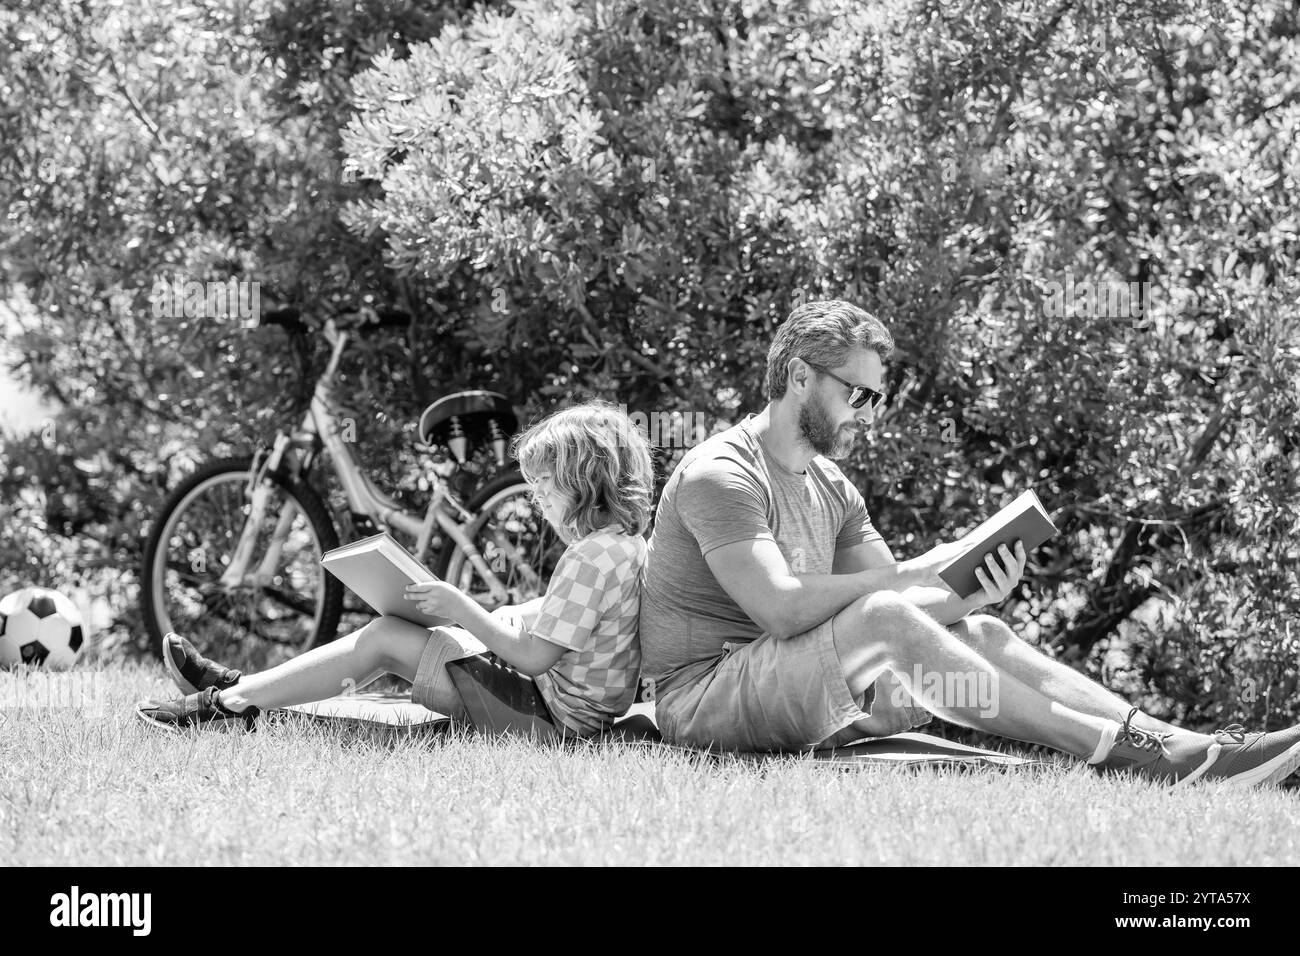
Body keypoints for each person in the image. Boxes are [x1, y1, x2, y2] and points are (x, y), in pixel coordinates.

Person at [638, 298, 1300, 786]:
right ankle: (1128, 756)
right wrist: (916, 576)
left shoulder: (831, 486)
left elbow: (898, 621)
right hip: (705, 698)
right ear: (799, 376)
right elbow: (785, 608)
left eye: (873, 398)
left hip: (783, 677)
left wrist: (966, 591)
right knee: (889, 608)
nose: (865, 412)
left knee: (979, 631)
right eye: (855, 394)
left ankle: (1184, 745)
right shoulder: (720, 475)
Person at [136, 399, 654, 739]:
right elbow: (561, 624)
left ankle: (229, 703)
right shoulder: (625, 548)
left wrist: (461, 607)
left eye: (546, 485)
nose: (537, 498)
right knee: (400, 634)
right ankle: (241, 691)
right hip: (562, 713)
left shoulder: (590, 556)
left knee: (386, 635)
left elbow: (534, 658)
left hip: (545, 720)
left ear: (585, 480)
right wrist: (495, 617)